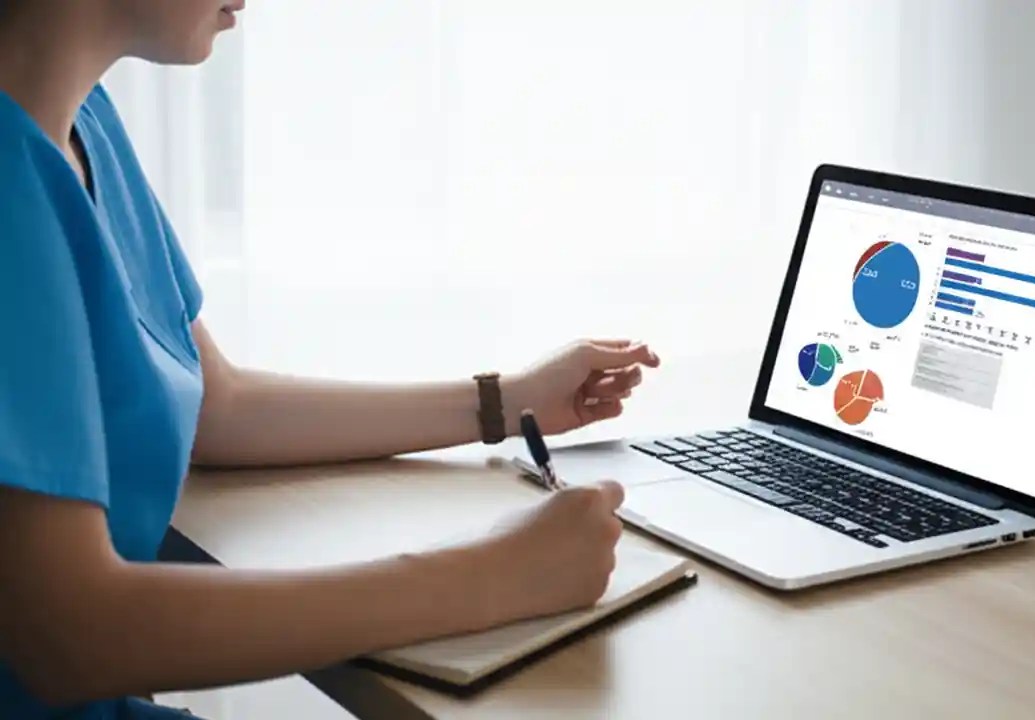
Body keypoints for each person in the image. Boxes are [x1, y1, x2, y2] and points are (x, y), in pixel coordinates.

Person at [0, 2, 661, 717]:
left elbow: (219, 406)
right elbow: (71, 634)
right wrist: (495, 576)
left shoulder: (81, 122)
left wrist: (506, 401)